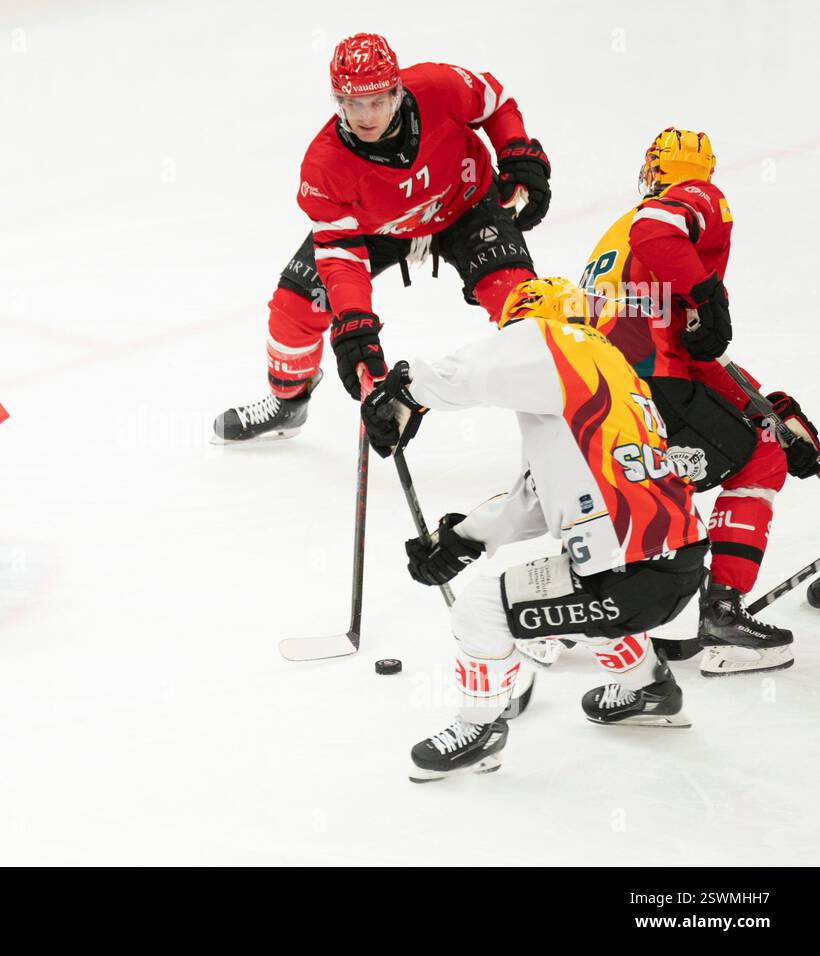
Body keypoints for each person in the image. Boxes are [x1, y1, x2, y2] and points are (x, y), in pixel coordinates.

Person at [360, 277, 707, 782]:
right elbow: (537, 496)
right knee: (581, 592)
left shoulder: (562, 342)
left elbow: (479, 369)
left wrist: (406, 390)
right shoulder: (605, 379)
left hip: (631, 574)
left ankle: (480, 731)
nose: (513, 335)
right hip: (670, 565)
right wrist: (463, 539)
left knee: (482, 610)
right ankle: (649, 691)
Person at [213, 31, 550, 443]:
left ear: (397, 90)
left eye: (377, 101)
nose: (366, 116)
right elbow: (340, 255)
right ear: (339, 101)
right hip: (375, 230)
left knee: (523, 308)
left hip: (466, 207)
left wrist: (515, 149)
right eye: (354, 104)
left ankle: (557, 415)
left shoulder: (438, 87)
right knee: (292, 309)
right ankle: (288, 402)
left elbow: (495, 101)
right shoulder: (323, 166)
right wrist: (356, 326)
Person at [580, 129, 819, 676]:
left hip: (601, 397)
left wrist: (771, 408)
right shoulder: (691, 204)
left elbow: (692, 355)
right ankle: (723, 618)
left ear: (647, 171)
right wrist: (708, 294)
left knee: (644, 489)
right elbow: (659, 228)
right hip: (650, 389)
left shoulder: (613, 244)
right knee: (761, 455)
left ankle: (568, 607)